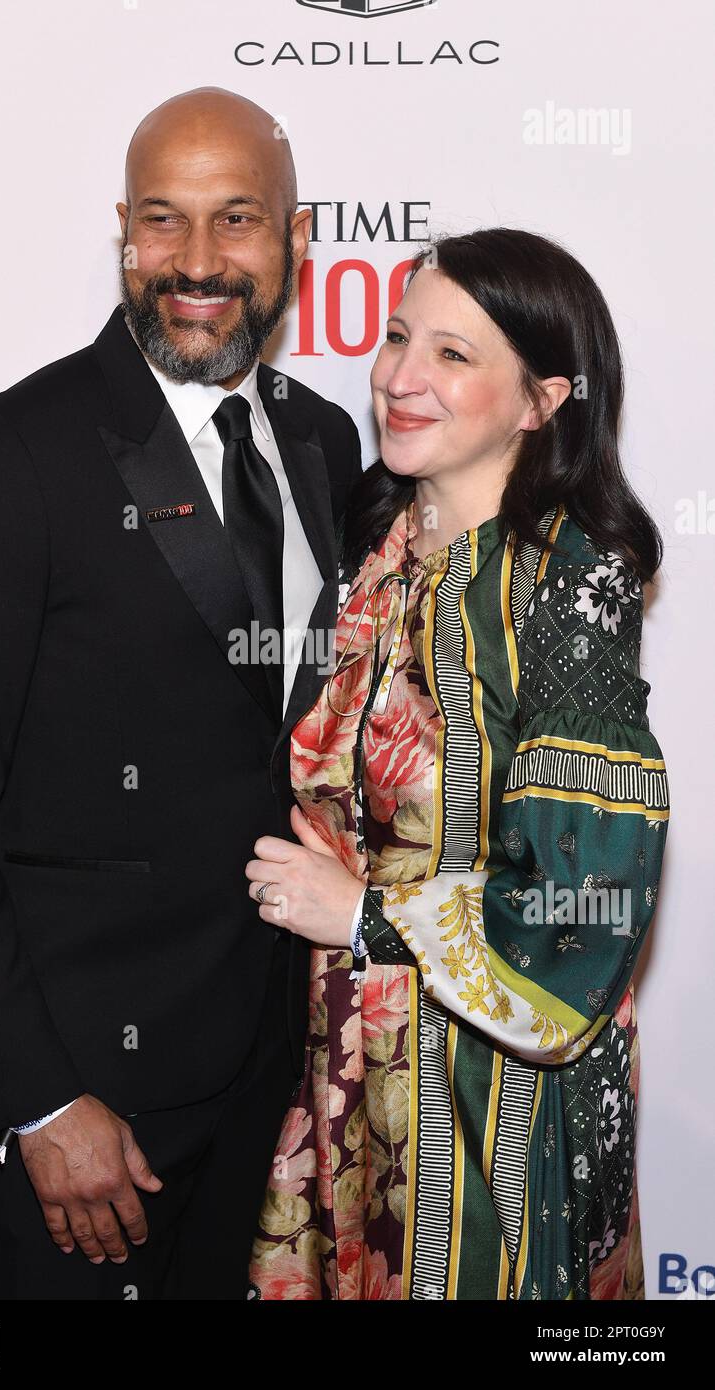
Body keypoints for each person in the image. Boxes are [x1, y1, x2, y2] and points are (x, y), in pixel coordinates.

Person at [0, 87, 362, 1300]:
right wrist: (36, 1101)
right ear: (123, 235)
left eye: (236, 219)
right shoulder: (6, 460)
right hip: (93, 1107)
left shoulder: (324, 445)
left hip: (273, 1088)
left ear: (295, 241)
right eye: (162, 221)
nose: (196, 263)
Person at [246, 229, 669, 1300]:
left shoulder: (566, 590)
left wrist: (365, 918)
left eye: (450, 354)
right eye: (396, 338)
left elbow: (582, 908)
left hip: (492, 1108)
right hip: (345, 1071)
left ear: (538, 402)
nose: (396, 376)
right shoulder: (375, 552)